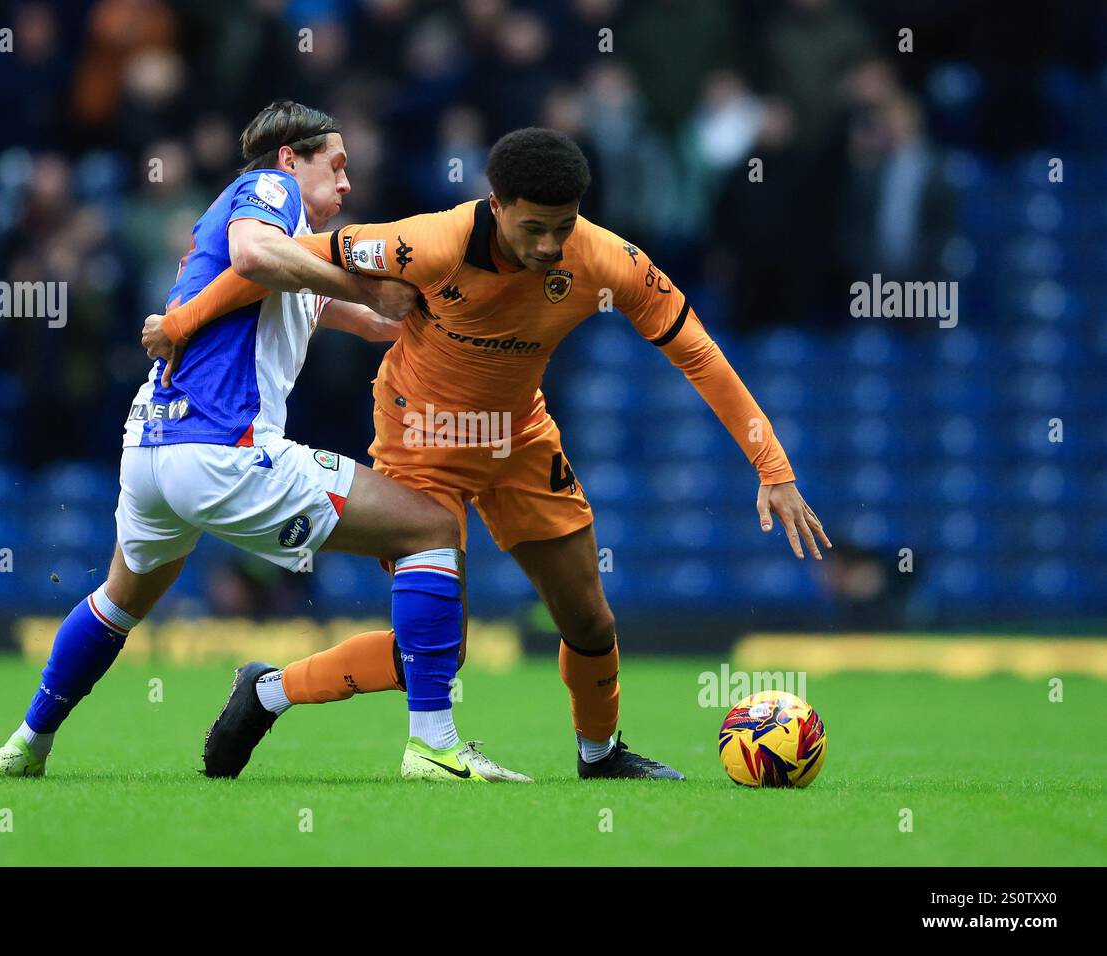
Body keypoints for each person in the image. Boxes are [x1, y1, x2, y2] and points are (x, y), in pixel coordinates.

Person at [143, 127, 832, 780]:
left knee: (588, 617)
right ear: (496, 204)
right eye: (534, 227)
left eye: (563, 226)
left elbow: (697, 352)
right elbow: (272, 263)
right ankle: (271, 690)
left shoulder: (607, 259)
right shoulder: (426, 243)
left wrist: (773, 468)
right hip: (424, 438)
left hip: (520, 438)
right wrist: (181, 321)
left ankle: (600, 754)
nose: (551, 245)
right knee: (442, 652)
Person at [0, 100, 530, 784]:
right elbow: (256, 255)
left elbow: (363, 317)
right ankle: (434, 745)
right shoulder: (264, 195)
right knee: (429, 528)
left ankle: (27, 743)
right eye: (336, 166)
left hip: (154, 445)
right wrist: (357, 286)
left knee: (118, 600)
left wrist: (432, 303)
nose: (347, 184)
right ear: (289, 160)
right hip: (223, 447)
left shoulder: (282, 243)